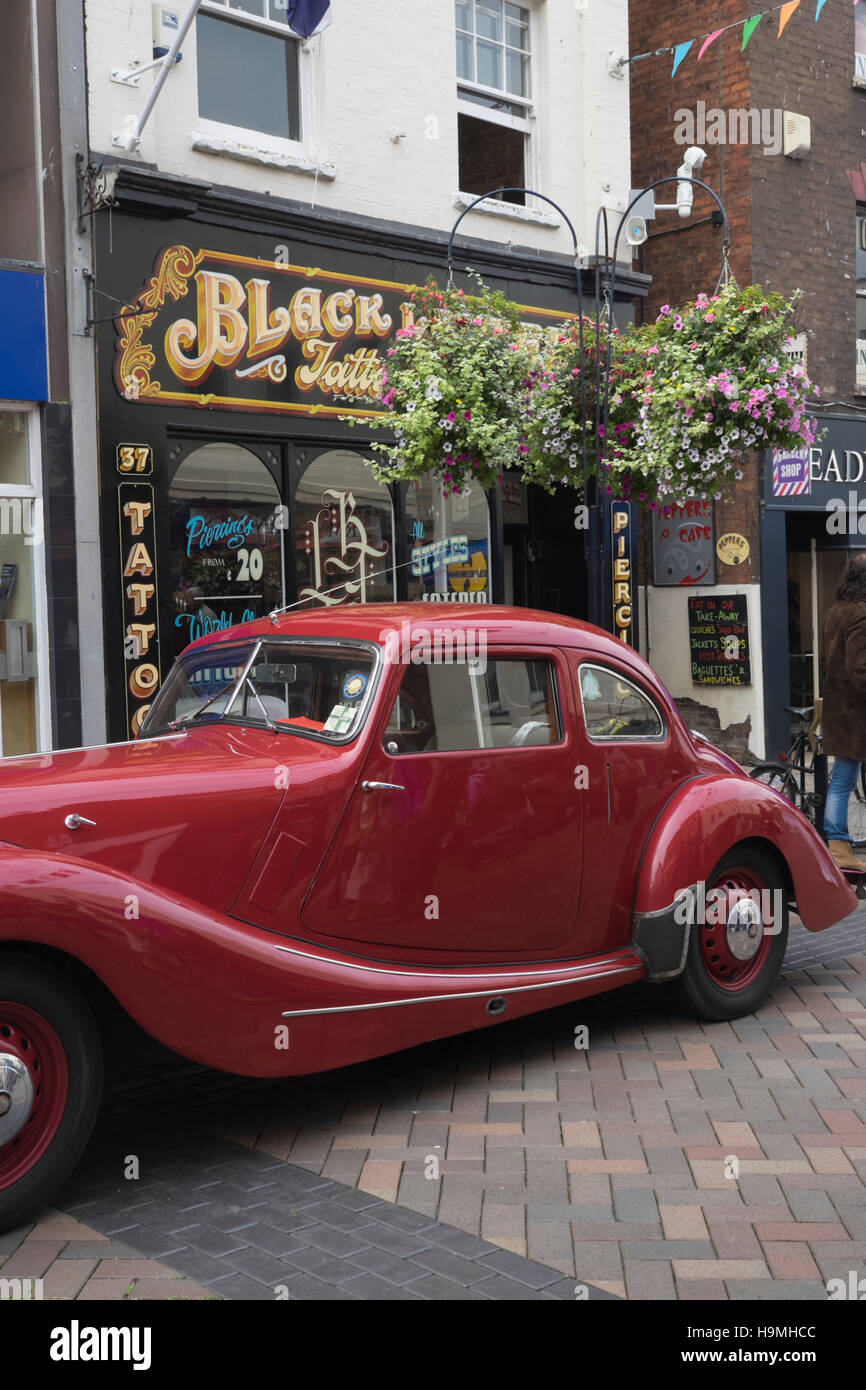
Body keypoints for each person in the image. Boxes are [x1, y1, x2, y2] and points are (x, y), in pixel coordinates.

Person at [821, 552, 866, 870]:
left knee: (843, 777)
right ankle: (839, 845)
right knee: (844, 779)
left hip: (839, 708)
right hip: (856, 713)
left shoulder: (835, 611)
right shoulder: (862, 614)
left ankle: (838, 844)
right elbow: (860, 668)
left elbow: (827, 661)